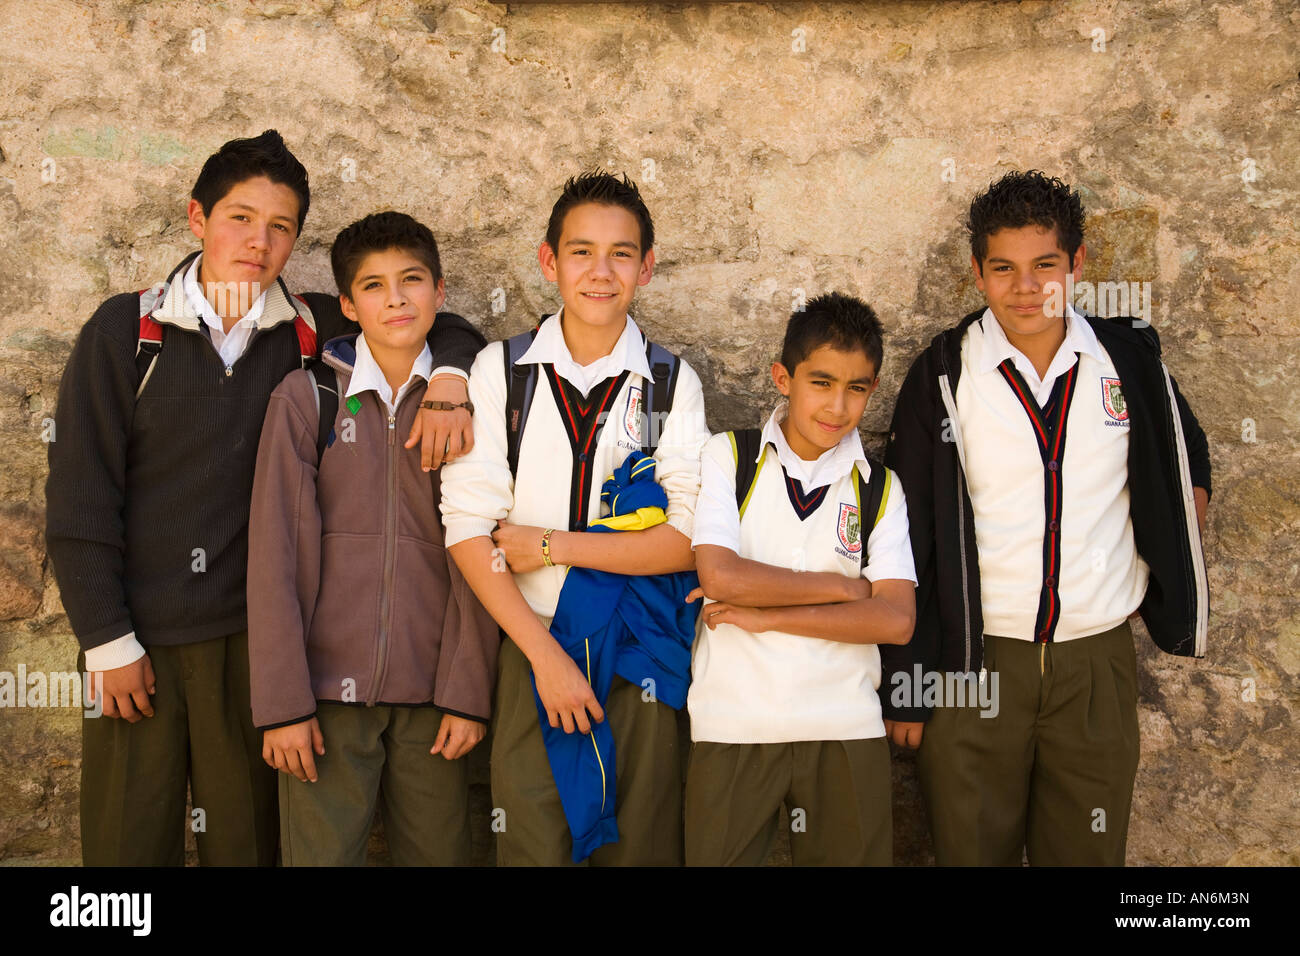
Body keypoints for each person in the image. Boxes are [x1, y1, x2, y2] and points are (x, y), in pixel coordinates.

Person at [44, 130, 481, 865]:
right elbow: (82, 498)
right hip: (136, 640)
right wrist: (106, 641)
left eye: (281, 227)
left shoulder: (311, 328)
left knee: (244, 843)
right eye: (240, 218)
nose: (259, 241)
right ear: (197, 218)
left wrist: (453, 379)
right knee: (125, 845)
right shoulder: (128, 332)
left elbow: (434, 320)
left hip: (250, 646)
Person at [882, 169, 1211, 866]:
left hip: (1095, 664)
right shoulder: (944, 373)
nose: (1025, 288)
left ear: (1078, 264)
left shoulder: (1128, 363)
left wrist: (1156, 560)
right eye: (1003, 268)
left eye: (1045, 267)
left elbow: (1189, 472)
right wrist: (905, 682)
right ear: (977, 272)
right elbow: (903, 539)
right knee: (970, 852)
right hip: (973, 663)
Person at [439, 170, 711, 865]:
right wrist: (546, 658)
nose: (600, 270)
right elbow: (469, 530)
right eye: (581, 251)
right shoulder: (503, 373)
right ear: (548, 261)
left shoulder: (670, 383)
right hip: (531, 647)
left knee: (641, 839)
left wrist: (555, 546)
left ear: (646, 267)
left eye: (621, 253)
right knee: (531, 838)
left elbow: (682, 543)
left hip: (637, 653)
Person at [247, 211, 498, 866]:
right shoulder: (308, 402)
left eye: (411, 281)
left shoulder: (470, 404)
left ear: (439, 294)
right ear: (349, 306)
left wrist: (468, 692)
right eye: (375, 286)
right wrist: (282, 704)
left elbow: (480, 547)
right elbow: (274, 558)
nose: (396, 299)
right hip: (325, 702)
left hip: (434, 700)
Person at [685, 292, 917, 866]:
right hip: (732, 723)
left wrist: (770, 617)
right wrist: (842, 587)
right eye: (821, 382)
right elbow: (721, 575)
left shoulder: (880, 489)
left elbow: (895, 619)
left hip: (846, 725)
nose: (837, 406)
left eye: (857, 388)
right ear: (783, 378)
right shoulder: (728, 458)